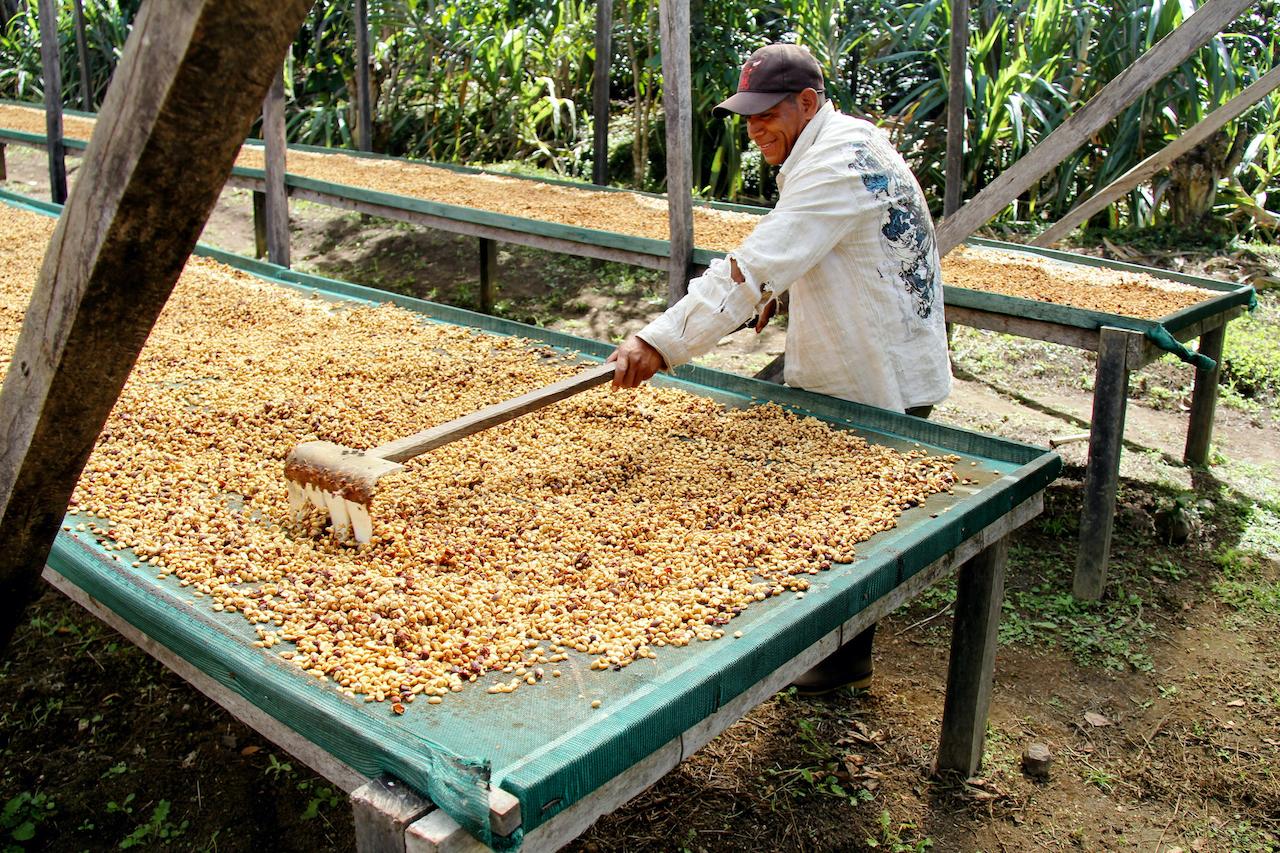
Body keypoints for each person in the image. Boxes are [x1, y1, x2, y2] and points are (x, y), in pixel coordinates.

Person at [607, 42, 951, 695]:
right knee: (840, 506)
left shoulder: (834, 165)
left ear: (808, 103)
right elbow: (831, 243)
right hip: (888, 341)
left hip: (877, 365)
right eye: (747, 115)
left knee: (848, 516)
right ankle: (839, 656)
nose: (755, 127)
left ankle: (833, 657)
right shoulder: (846, 143)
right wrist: (777, 292)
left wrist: (656, 343)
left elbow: (754, 263)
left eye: (768, 113)